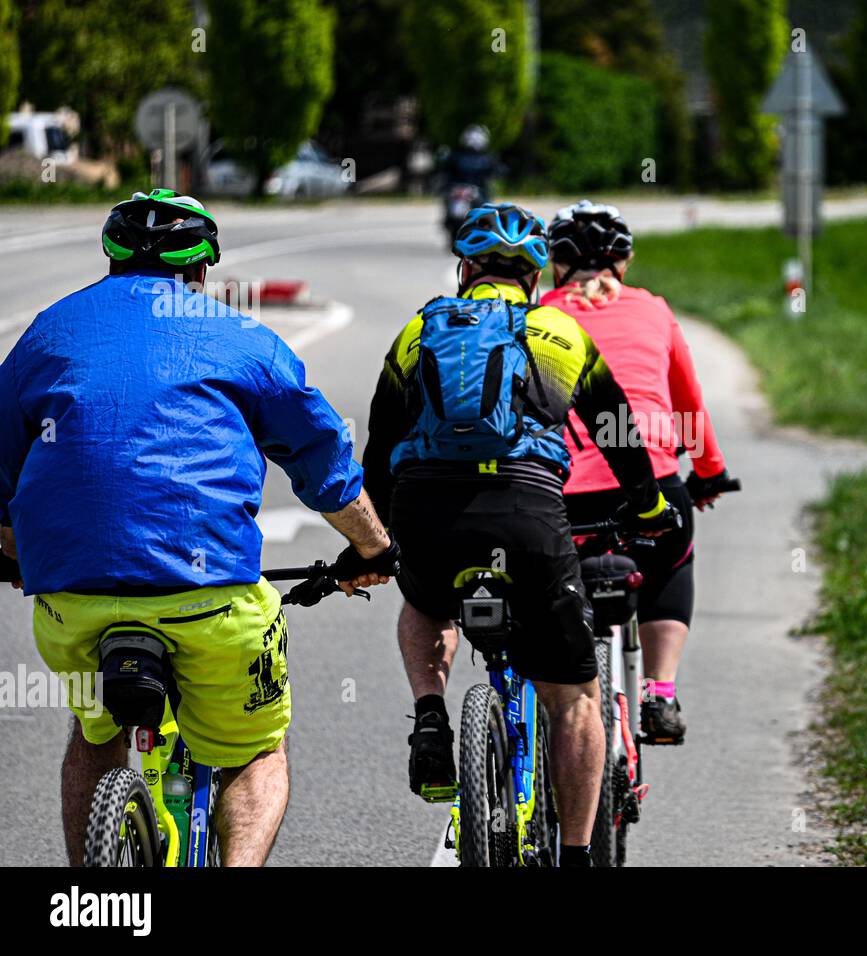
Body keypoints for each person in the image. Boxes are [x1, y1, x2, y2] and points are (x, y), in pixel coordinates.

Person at [0, 189, 399, 866]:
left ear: (110, 256)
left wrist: (17, 555)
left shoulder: (48, 333)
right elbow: (324, 462)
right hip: (209, 600)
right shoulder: (242, 339)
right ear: (204, 269)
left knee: (94, 737)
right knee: (257, 753)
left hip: (74, 603)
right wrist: (374, 547)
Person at [361, 201, 677, 867]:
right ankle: (576, 855)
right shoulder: (559, 335)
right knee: (576, 701)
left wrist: (377, 539)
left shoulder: (418, 332)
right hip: (527, 513)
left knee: (424, 601)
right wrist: (648, 509)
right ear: (535, 275)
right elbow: (618, 433)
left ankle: (429, 714)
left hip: (428, 513)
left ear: (466, 269)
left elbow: (381, 447)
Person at [543, 200, 734, 744]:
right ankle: (660, 693)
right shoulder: (653, 310)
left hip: (563, 494)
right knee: (672, 557)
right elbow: (688, 403)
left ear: (557, 266)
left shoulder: (540, 318)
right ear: (623, 264)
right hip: (648, 485)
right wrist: (710, 471)